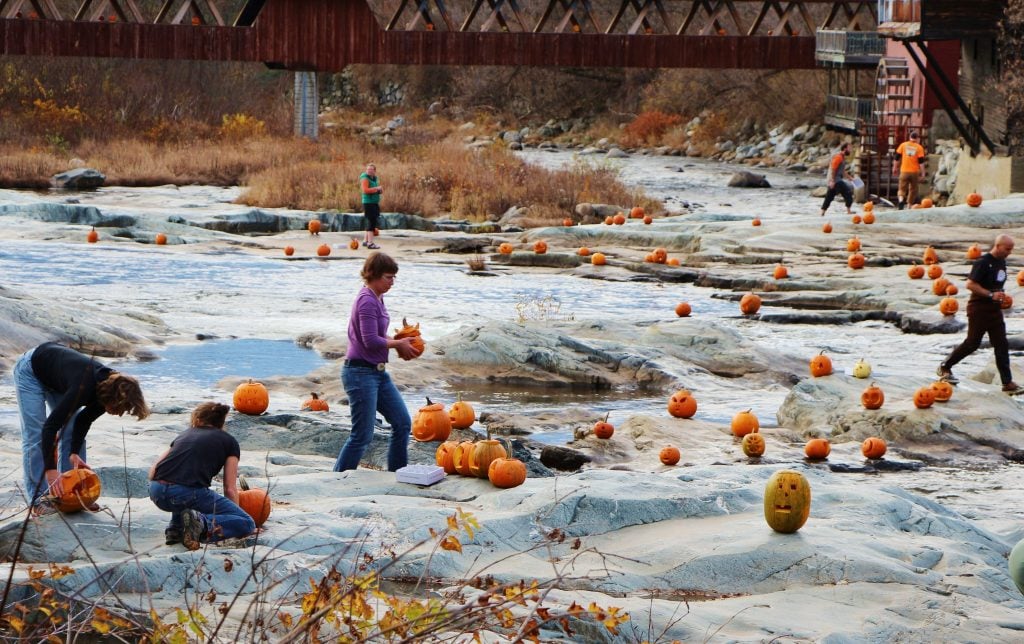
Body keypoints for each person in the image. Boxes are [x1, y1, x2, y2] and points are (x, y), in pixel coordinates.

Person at [14, 342, 149, 515]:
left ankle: (73, 494)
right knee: (36, 435)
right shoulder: (85, 388)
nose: (121, 413)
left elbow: (83, 421)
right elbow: (50, 427)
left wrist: (74, 453)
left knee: (70, 430)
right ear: (114, 399)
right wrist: (51, 469)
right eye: (123, 408)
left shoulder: (108, 390)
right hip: (32, 370)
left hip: (59, 377)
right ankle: (39, 499)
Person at [334, 252, 417, 472]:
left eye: (393, 277)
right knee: (362, 435)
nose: (392, 282)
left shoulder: (378, 297)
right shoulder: (366, 301)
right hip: (359, 373)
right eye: (389, 277)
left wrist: (399, 341)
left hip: (377, 373)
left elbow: (379, 335)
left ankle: (398, 473)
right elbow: (370, 341)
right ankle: (338, 478)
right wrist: (398, 345)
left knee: (402, 423)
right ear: (374, 275)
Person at [149, 402, 256, 550]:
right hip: (185, 493)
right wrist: (234, 517)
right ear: (221, 423)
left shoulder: (184, 434)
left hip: (156, 490)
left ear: (197, 420)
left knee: (184, 485)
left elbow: (152, 472)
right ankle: (201, 524)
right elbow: (230, 488)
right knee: (247, 522)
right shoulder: (230, 442)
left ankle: (175, 529)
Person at [937, 234, 1020, 393]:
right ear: (998, 246)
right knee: (972, 343)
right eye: (1007, 249)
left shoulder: (1001, 262)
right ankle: (945, 367)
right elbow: (970, 284)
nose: (1010, 252)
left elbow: (996, 284)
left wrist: (1000, 296)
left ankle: (1007, 383)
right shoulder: (983, 262)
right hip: (979, 309)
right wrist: (990, 295)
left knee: (1001, 344)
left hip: (994, 310)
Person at [819, 142, 854, 217]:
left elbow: (842, 171)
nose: (851, 150)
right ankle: (849, 211)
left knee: (829, 196)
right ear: (845, 149)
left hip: (835, 180)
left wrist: (849, 177)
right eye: (849, 148)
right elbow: (833, 169)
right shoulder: (838, 157)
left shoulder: (842, 157)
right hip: (836, 180)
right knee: (847, 192)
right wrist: (832, 181)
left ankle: (822, 212)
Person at [893, 131, 926, 210]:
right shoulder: (919, 148)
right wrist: (923, 173)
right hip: (914, 172)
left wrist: (895, 167)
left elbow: (896, 158)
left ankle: (901, 201)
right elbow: (921, 162)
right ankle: (909, 205)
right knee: (913, 189)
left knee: (901, 188)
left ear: (910, 137)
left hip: (904, 171)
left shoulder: (903, 145)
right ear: (917, 139)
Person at [359, 163, 383, 249]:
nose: (369, 171)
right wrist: (376, 189)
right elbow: (365, 190)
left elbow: (375, 190)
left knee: (371, 221)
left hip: (374, 202)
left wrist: (379, 190)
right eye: (368, 169)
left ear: (374, 171)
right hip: (368, 203)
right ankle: (370, 243)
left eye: (371, 169)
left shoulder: (375, 178)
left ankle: (365, 241)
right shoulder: (365, 178)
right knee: (371, 222)